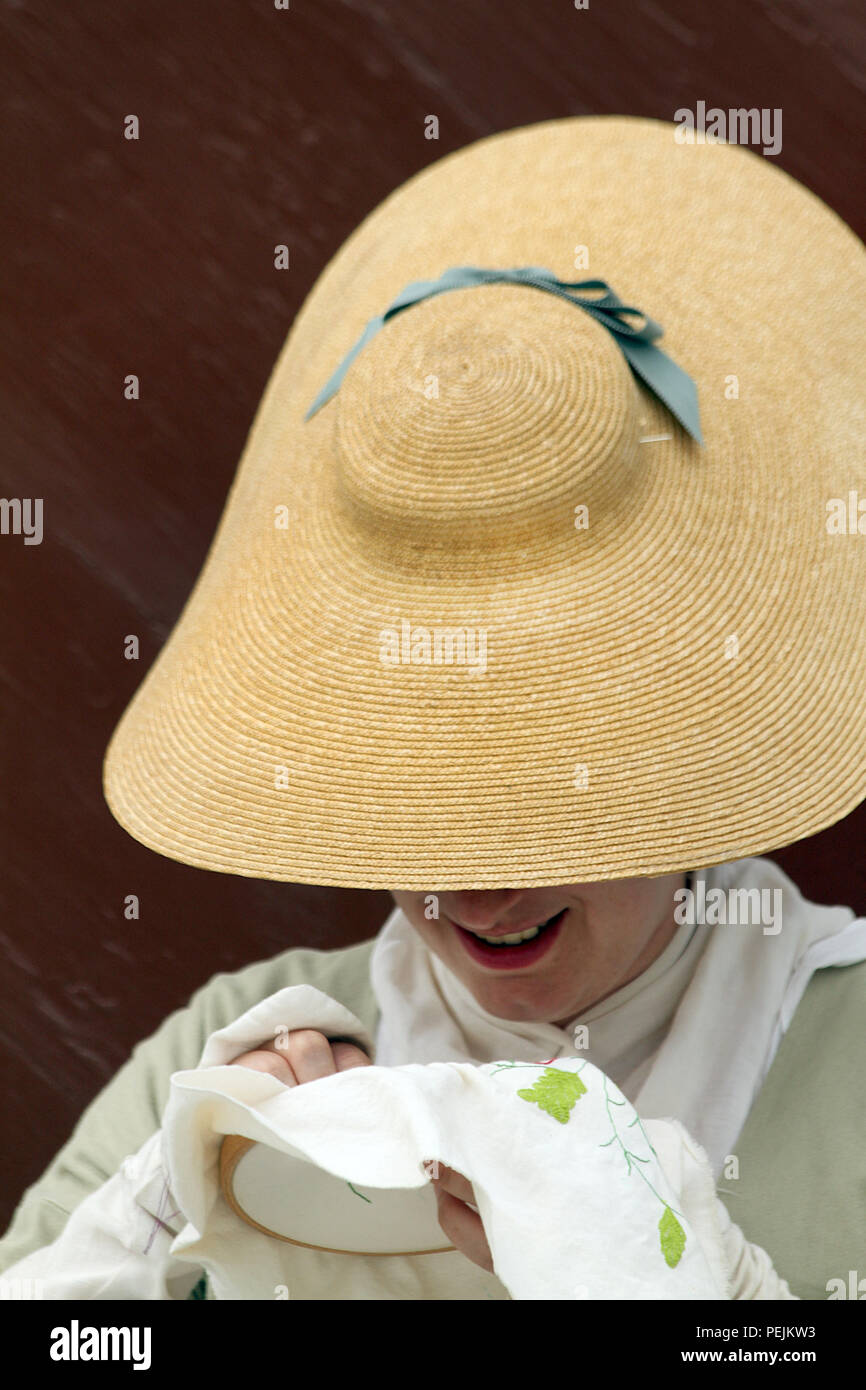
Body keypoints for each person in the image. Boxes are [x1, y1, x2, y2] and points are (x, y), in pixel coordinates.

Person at [2, 114, 865, 1299]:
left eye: (531, 786)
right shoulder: (236, 1054)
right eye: (412, 787)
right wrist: (150, 1225)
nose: (472, 888)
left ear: (676, 739)